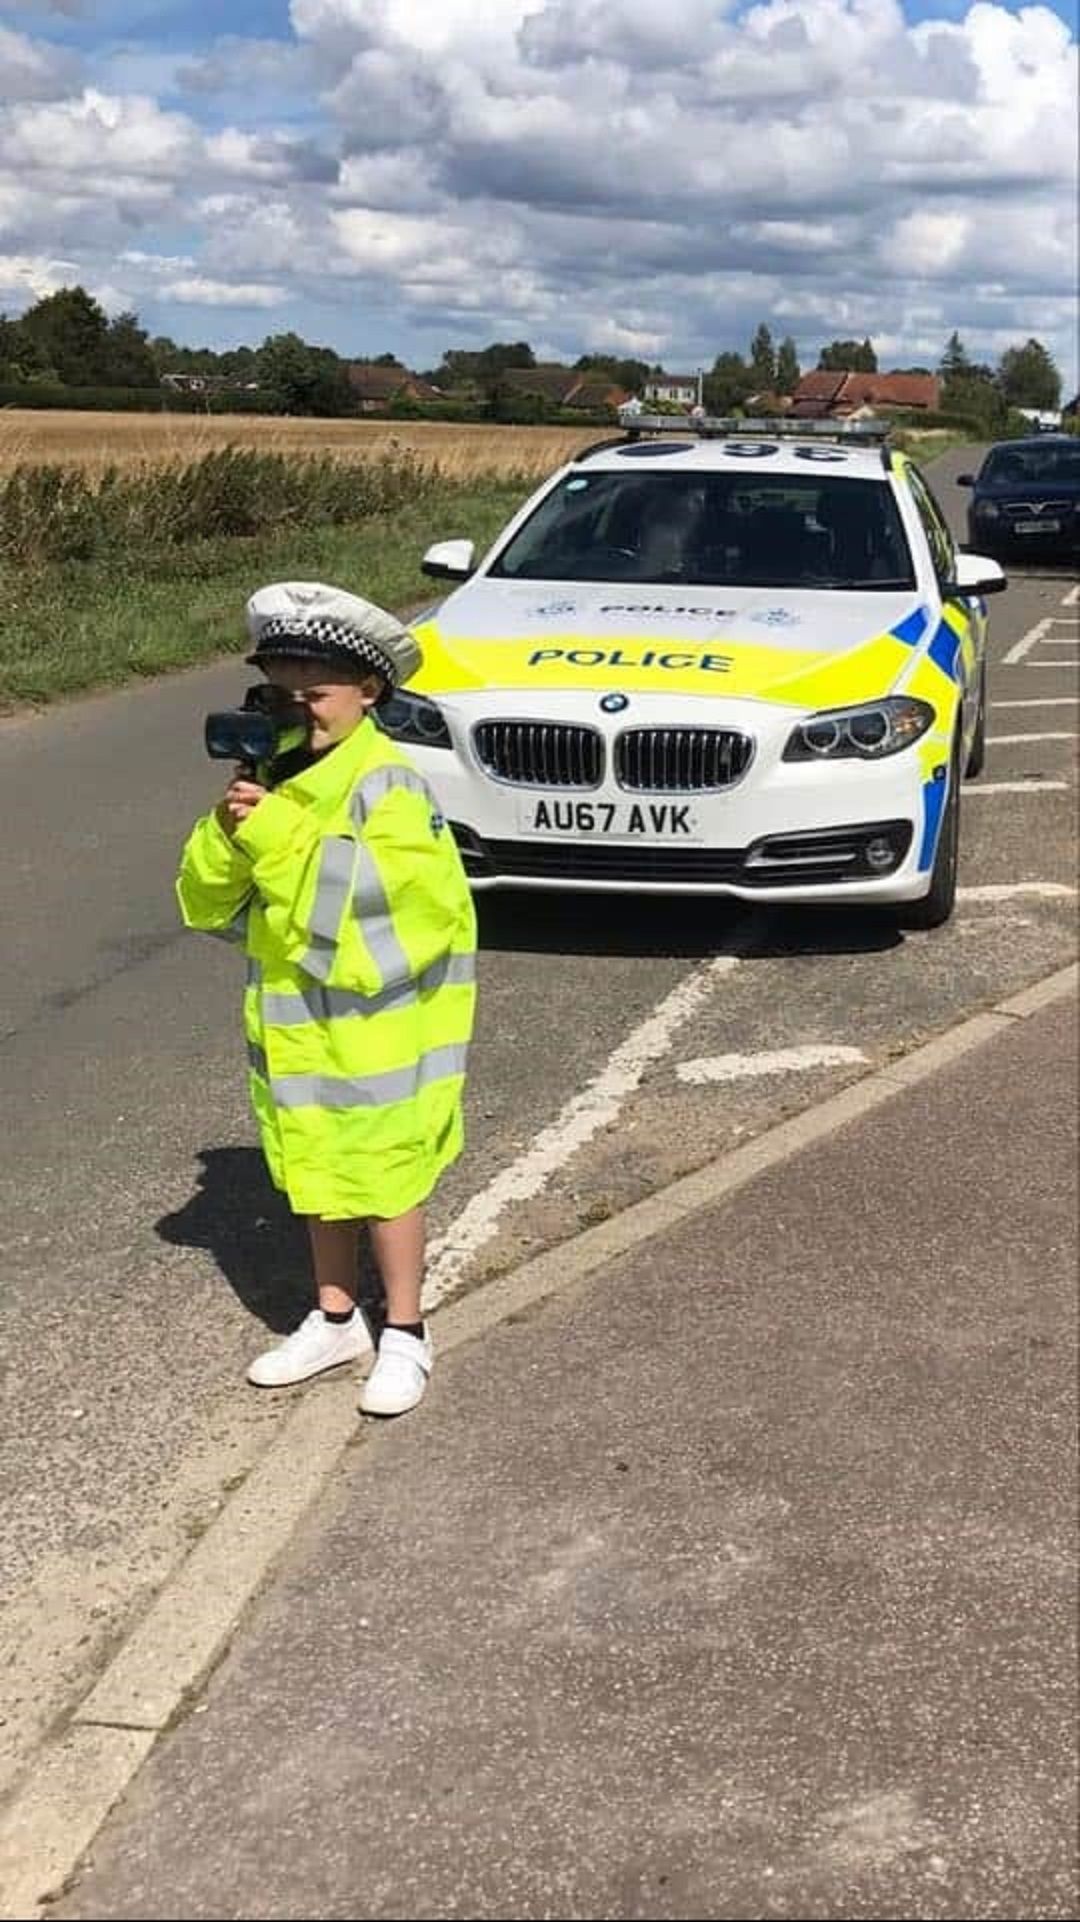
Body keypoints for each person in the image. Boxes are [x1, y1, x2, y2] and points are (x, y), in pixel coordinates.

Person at [176, 582, 477, 1417]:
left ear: (369, 690)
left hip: (380, 1034)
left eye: (317, 695)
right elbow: (207, 905)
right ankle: (337, 1316)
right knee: (314, 1173)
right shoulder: (279, 777)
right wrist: (232, 830)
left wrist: (272, 830)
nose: (300, 711)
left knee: (385, 1180)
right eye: (282, 695)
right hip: (296, 1025)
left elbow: (385, 916)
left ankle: (408, 1332)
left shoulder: (389, 786)